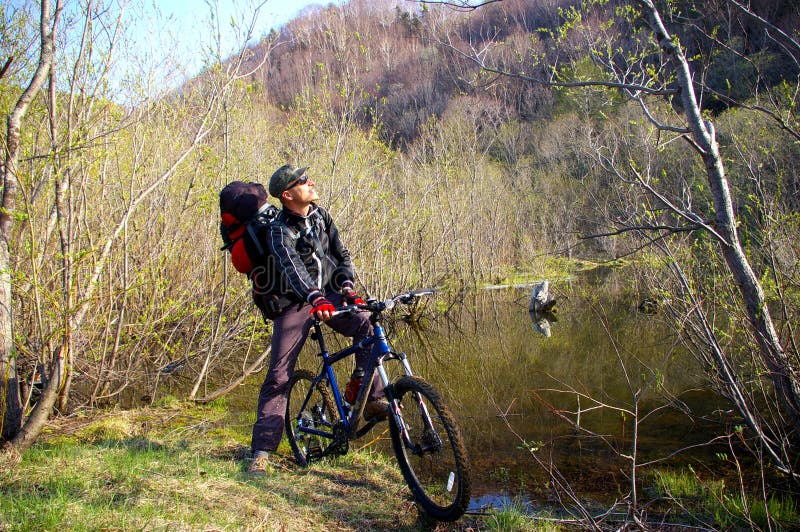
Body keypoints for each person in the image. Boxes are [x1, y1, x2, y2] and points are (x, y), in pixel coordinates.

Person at [248, 164, 390, 475]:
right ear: (288, 195)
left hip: (330, 294)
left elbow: (341, 254)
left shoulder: (320, 215)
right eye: (302, 182)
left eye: (307, 178)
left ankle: (368, 395)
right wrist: (315, 297)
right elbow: (292, 267)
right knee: (280, 374)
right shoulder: (278, 230)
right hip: (295, 302)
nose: (310, 183)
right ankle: (261, 452)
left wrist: (347, 287)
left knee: (368, 322)